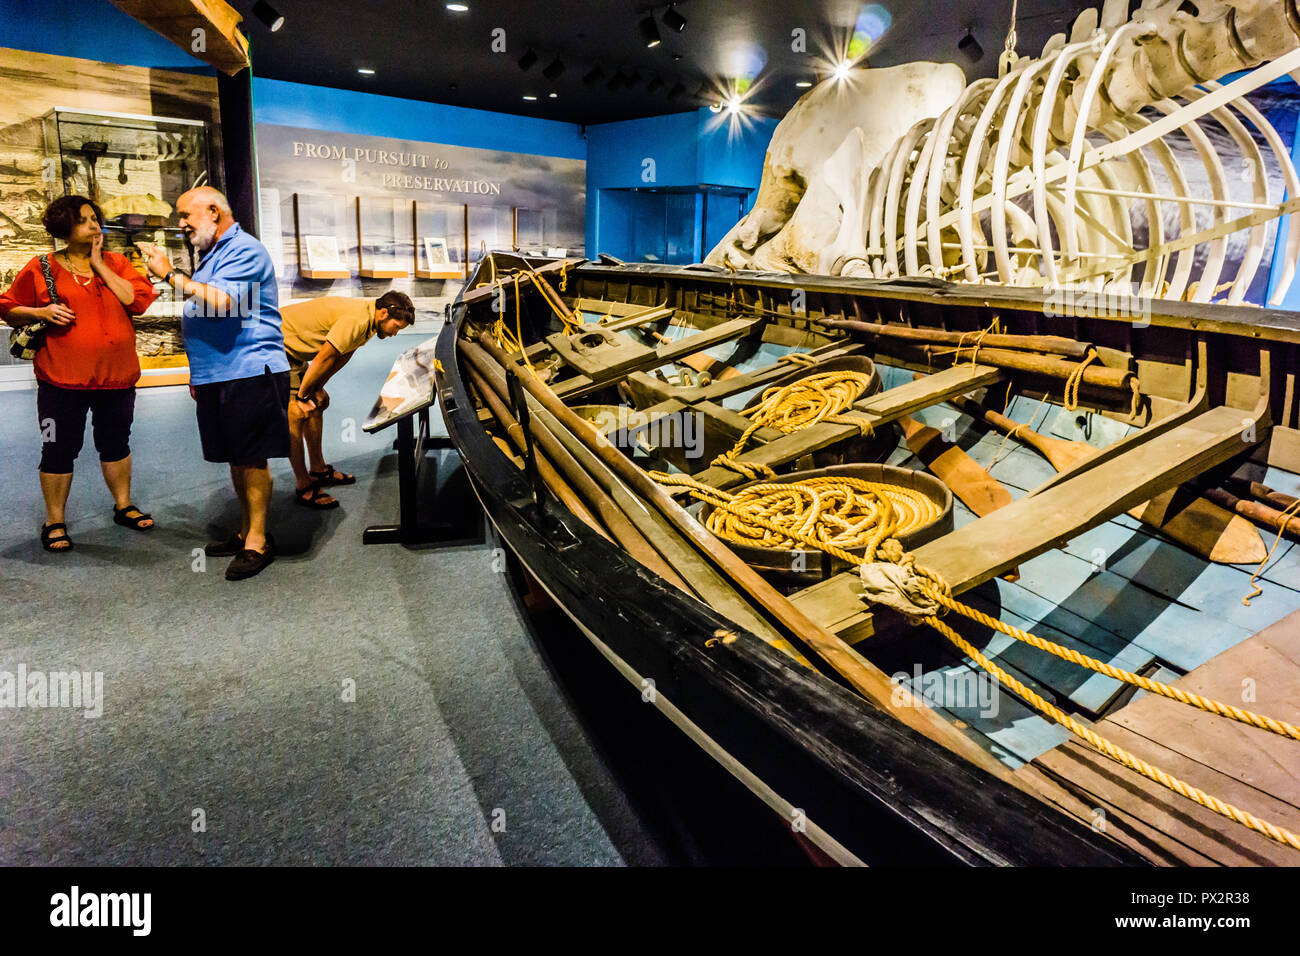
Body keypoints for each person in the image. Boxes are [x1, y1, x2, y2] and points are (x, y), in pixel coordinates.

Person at [140, 186, 288, 581]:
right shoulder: (212, 257)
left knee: (251, 457)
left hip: (249, 370)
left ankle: (258, 539)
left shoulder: (246, 249)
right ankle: (245, 530)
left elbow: (222, 302)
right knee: (236, 457)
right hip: (218, 373)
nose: (182, 224)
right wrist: (198, 372)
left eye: (186, 215)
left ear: (213, 211)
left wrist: (170, 276)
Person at [0, 195, 158, 552]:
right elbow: (8, 307)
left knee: (116, 442)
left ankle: (123, 505)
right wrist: (42, 313)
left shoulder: (117, 263)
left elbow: (137, 301)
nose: (94, 225)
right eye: (84, 220)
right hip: (60, 381)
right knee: (57, 446)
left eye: (94, 218)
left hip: (117, 377)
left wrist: (99, 264)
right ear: (64, 228)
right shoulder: (40, 267)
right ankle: (54, 520)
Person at [280, 292, 415, 508]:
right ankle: (303, 484)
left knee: (317, 405)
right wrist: (303, 394)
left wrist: (318, 388)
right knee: (295, 413)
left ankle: (318, 470)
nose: (395, 334)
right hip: (277, 345)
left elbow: (343, 354)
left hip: (293, 348)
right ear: (383, 314)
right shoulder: (358, 319)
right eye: (396, 327)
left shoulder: (371, 321)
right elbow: (325, 356)